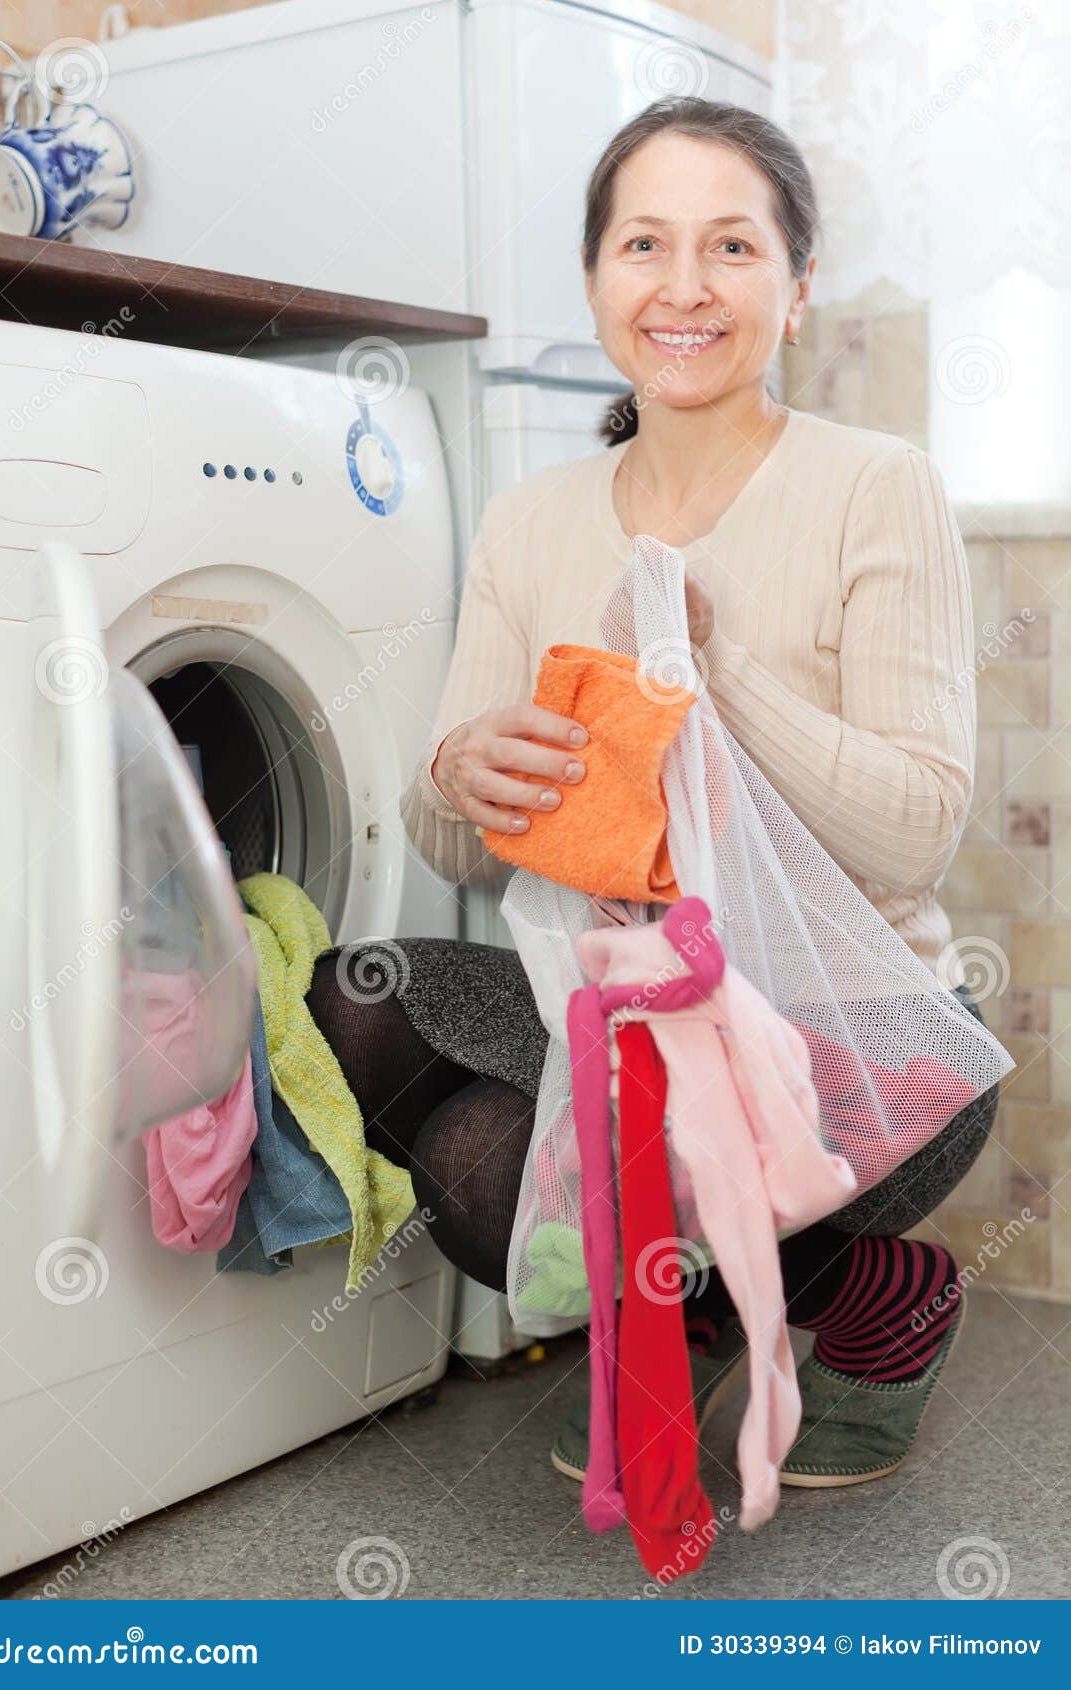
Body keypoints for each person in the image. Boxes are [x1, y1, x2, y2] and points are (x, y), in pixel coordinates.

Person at [308, 96, 1000, 1490]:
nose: (683, 287)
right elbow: (453, 832)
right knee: (361, 999)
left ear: (795, 288)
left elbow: (915, 824)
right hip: (618, 1020)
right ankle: (682, 1308)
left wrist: (707, 657)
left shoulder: (878, 486)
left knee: (509, 1149)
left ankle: (870, 1298)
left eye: (732, 247)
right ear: (593, 279)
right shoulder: (532, 518)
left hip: (846, 1037)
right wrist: (458, 764)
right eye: (644, 244)